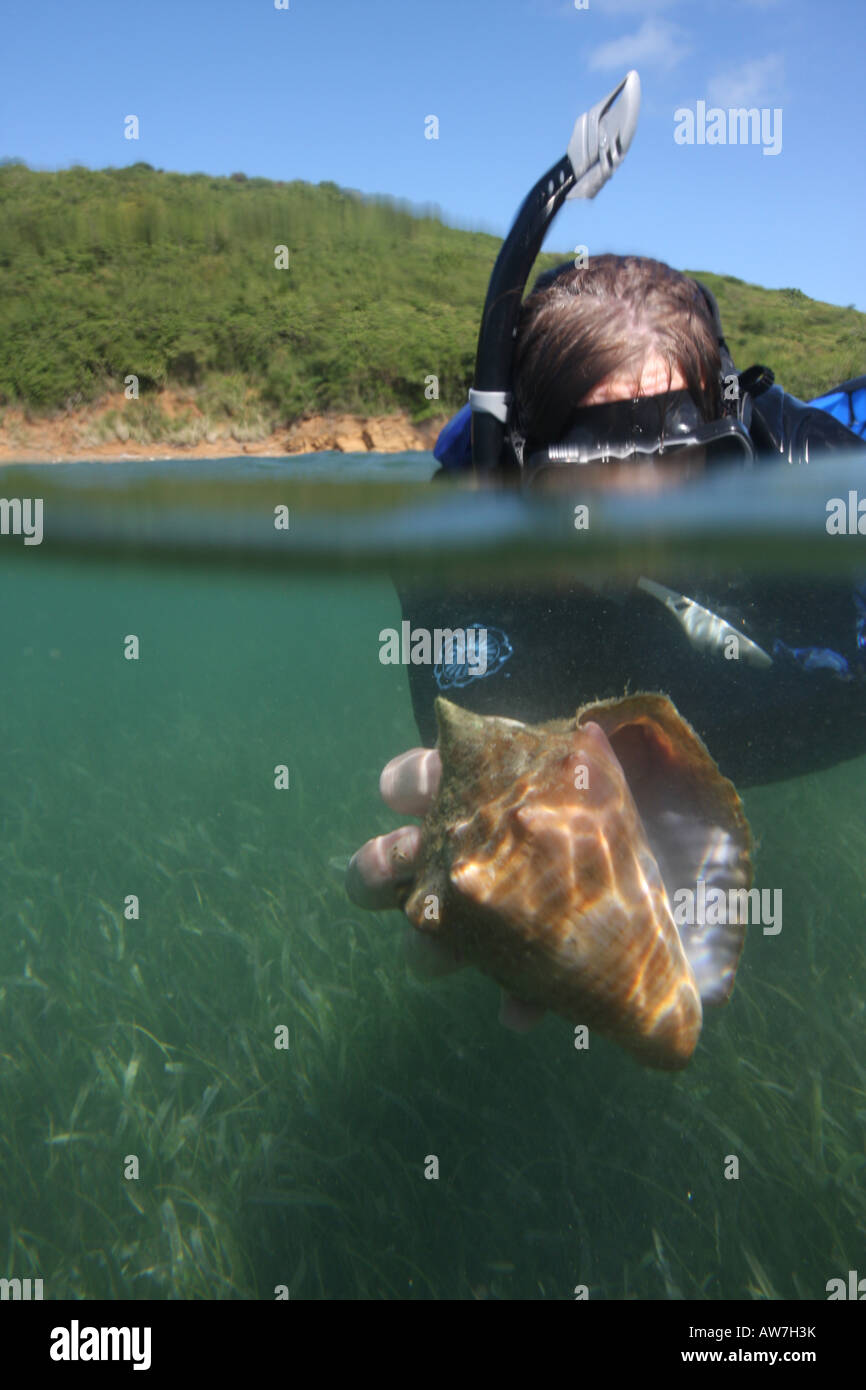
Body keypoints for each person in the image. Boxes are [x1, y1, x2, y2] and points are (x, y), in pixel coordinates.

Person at [346, 250, 864, 1029]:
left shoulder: (821, 482)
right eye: (590, 499)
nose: (638, 548)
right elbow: (472, 769)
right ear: (514, 473)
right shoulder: (454, 558)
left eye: (684, 474)